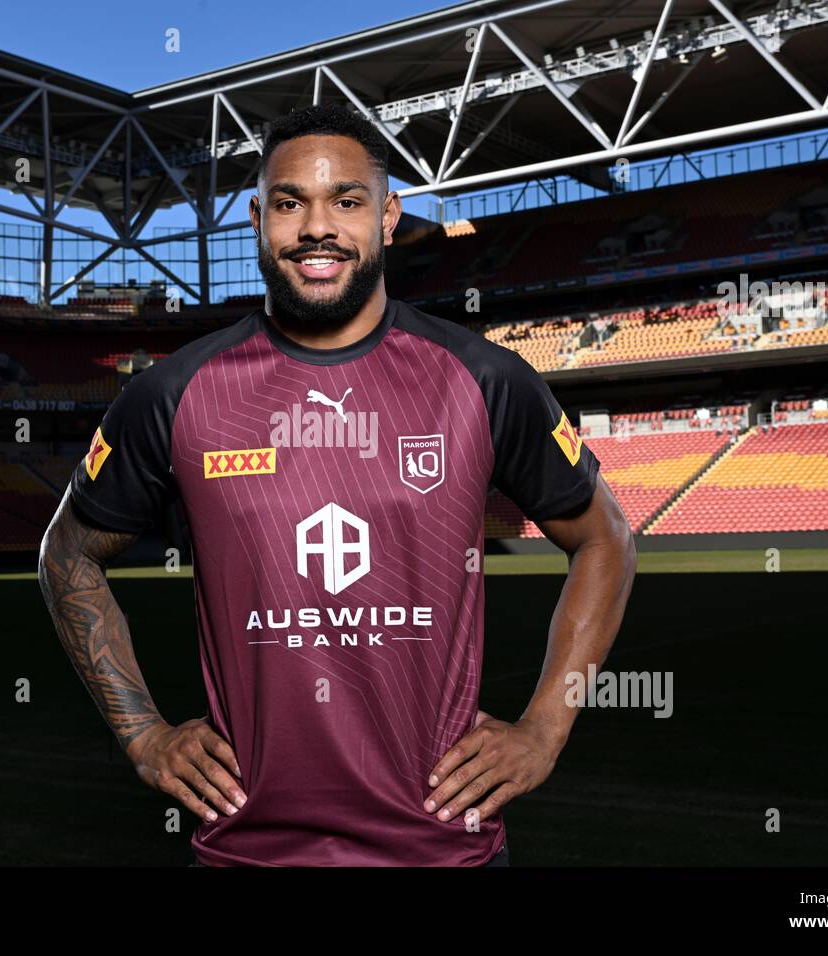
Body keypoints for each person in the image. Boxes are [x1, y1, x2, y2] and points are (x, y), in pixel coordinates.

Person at [38, 102, 636, 866]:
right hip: (245, 851)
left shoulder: (482, 379)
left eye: (346, 201)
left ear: (388, 217)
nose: (317, 227)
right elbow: (68, 555)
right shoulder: (177, 394)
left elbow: (604, 538)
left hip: (445, 851)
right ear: (258, 218)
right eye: (290, 203)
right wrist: (144, 734)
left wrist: (546, 726)